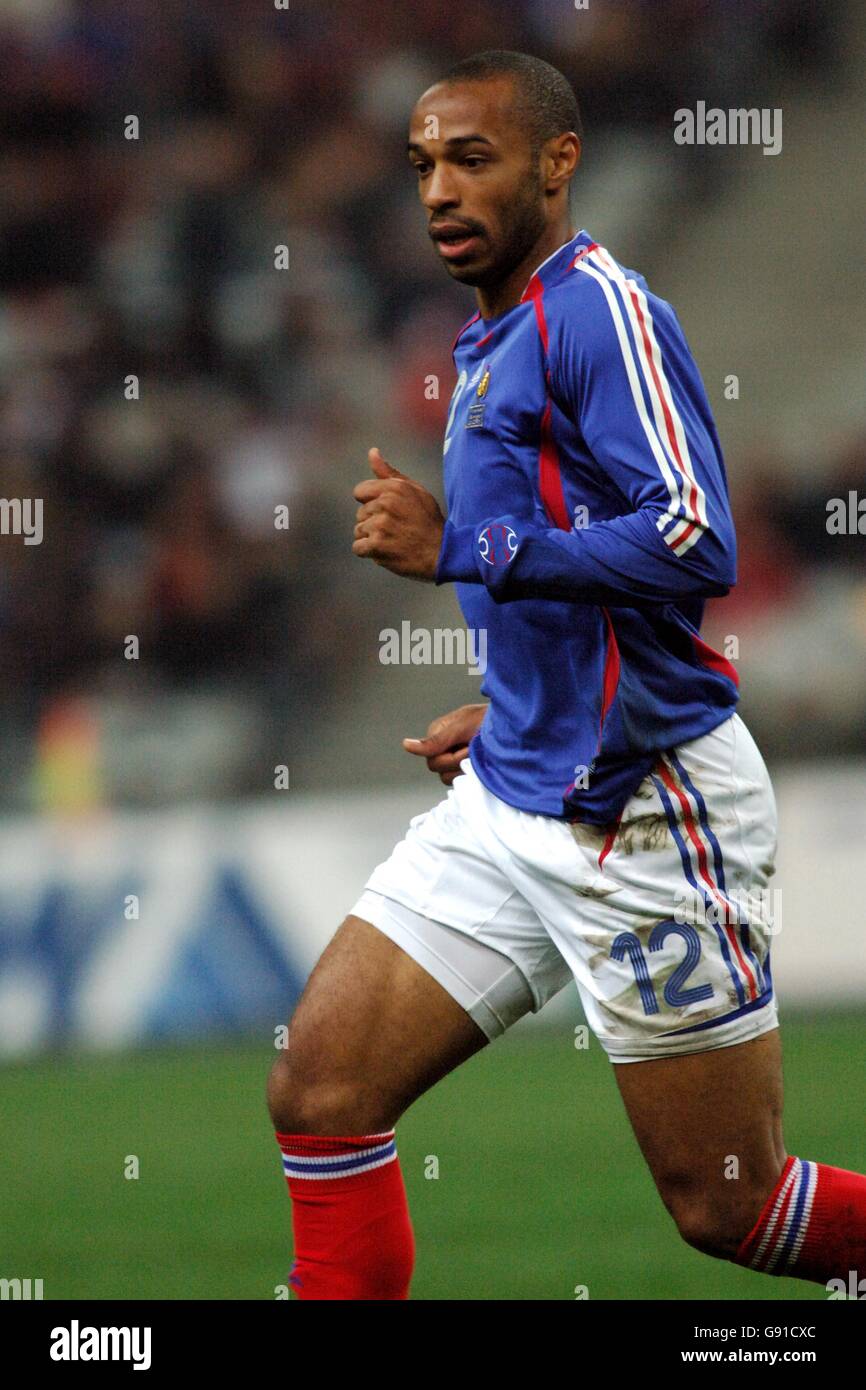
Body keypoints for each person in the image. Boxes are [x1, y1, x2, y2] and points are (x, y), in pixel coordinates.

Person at [267, 50, 866, 1300]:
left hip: (642, 809)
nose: (437, 188)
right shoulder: (489, 331)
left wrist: (456, 550)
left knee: (732, 1206)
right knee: (320, 1090)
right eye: (423, 163)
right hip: (516, 788)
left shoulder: (599, 313)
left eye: (471, 159)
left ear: (557, 161)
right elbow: (585, 575)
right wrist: (517, 697)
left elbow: (694, 536)